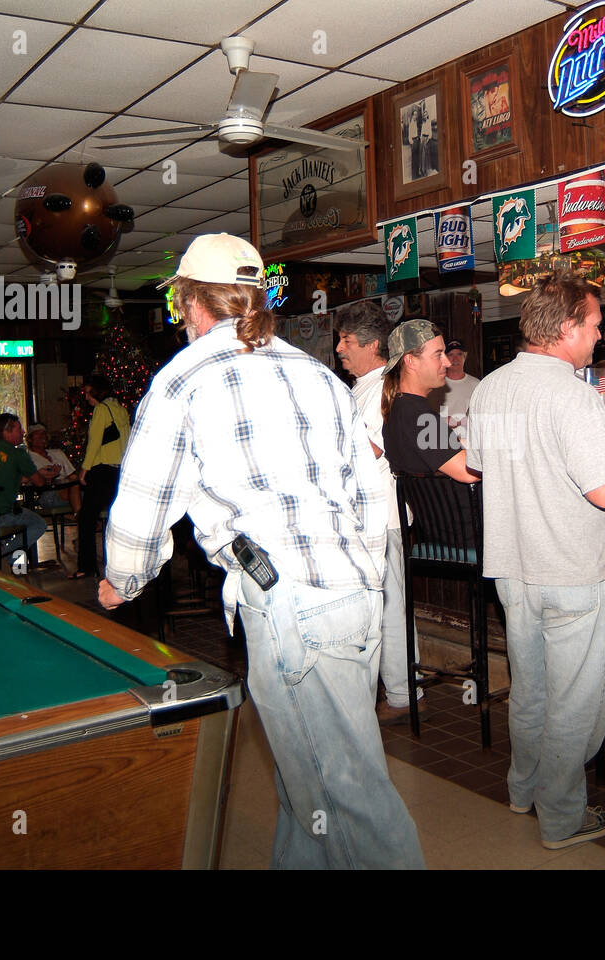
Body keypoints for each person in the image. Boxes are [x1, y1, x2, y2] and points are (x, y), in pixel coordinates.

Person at [98, 233, 423, 869]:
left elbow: (143, 503)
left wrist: (122, 580)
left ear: (192, 303)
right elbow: (365, 490)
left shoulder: (181, 381)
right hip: (356, 594)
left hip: (290, 608)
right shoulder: (316, 375)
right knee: (311, 781)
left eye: (179, 305)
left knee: (348, 793)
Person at [465, 273, 605, 850]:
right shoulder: (572, 393)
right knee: (579, 698)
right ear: (568, 327)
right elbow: (603, 492)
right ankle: (563, 816)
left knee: (531, 690)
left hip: (512, 570)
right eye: (595, 325)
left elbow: (479, 464)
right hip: (572, 571)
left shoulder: (491, 388)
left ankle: (523, 789)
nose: (600, 335)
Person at [335, 301, 423, 726]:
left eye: (346, 341)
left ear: (372, 345)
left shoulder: (384, 387)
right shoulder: (365, 386)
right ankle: (402, 688)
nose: (338, 348)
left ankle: (405, 692)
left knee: (390, 608)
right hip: (367, 518)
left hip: (382, 516)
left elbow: (374, 449)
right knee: (382, 607)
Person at [381, 319, 479, 485]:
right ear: (410, 361)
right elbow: (469, 472)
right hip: (455, 510)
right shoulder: (418, 417)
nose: (447, 362)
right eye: (438, 355)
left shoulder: (398, 409)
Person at [0, 412, 50, 569]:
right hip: (1, 515)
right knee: (38, 524)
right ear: (6, 432)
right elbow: (40, 482)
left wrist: (21, 478)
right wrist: (47, 475)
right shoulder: (18, 454)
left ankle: (8, 559)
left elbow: (0, 476)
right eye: (19, 429)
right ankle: (2, 559)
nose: (23, 433)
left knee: (19, 521)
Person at [72, 374, 130, 579]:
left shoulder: (101, 410)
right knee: (116, 519)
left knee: (86, 519)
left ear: (97, 391)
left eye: (88, 392)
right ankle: (122, 564)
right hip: (118, 471)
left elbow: (94, 442)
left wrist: (84, 469)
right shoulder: (120, 409)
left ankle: (86, 568)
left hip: (101, 471)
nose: (86, 397)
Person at [427, 337, 480, 437]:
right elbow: (424, 416)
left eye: (459, 354)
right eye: (451, 355)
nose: (455, 359)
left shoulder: (477, 385)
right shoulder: (435, 385)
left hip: (469, 444)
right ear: (444, 358)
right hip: (441, 443)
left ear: (465, 357)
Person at [25, 422, 81, 514]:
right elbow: (30, 482)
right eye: (37, 434)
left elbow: (72, 476)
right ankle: (81, 517)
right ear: (30, 439)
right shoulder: (28, 458)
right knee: (76, 488)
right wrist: (50, 477)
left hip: (68, 490)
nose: (42, 436)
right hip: (48, 495)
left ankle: (81, 517)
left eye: (44, 434)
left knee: (80, 486)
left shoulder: (57, 453)